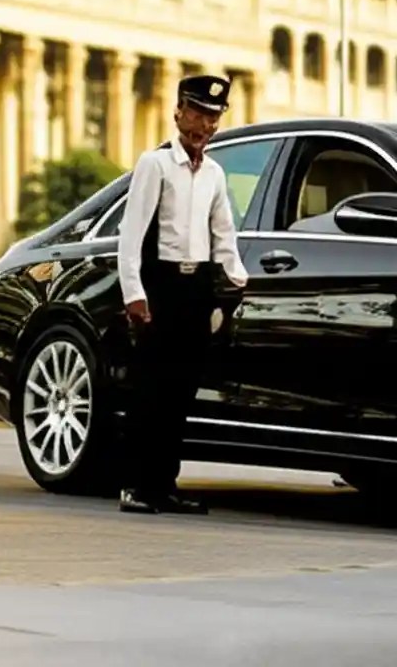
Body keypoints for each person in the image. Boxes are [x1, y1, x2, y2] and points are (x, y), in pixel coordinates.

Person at [114, 74, 249, 514]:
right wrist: (134, 293)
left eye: (212, 118)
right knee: (150, 390)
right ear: (178, 113)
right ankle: (136, 486)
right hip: (161, 286)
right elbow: (131, 236)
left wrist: (236, 279)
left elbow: (223, 233)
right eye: (197, 114)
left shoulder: (213, 172)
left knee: (180, 392)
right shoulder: (154, 165)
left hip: (195, 289)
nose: (204, 125)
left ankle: (164, 485)